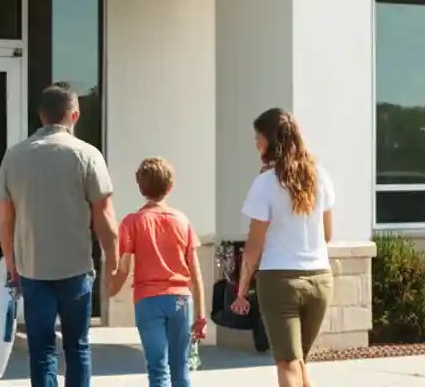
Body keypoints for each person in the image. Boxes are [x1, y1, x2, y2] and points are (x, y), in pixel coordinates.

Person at [0, 83, 118, 387]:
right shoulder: (88, 155)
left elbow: (5, 220)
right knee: (77, 347)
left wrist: (12, 264)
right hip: (75, 268)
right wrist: (114, 263)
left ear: (41, 116)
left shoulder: (14, 156)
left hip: (33, 269)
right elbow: (104, 216)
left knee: (41, 349)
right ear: (74, 115)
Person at [230, 108, 335, 387]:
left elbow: (253, 247)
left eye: (258, 139)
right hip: (321, 280)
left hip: (279, 281)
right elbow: (327, 234)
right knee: (298, 362)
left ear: (270, 142)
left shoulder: (265, 184)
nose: (256, 145)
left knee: (288, 364)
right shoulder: (321, 176)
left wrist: (241, 289)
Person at [108, 157, 208, 387]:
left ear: (140, 188)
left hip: (148, 300)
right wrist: (201, 315)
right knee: (181, 366)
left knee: (157, 368)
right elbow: (195, 272)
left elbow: (123, 267)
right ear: (170, 187)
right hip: (181, 299)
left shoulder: (131, 222)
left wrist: (110, 288)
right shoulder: (182, 221)